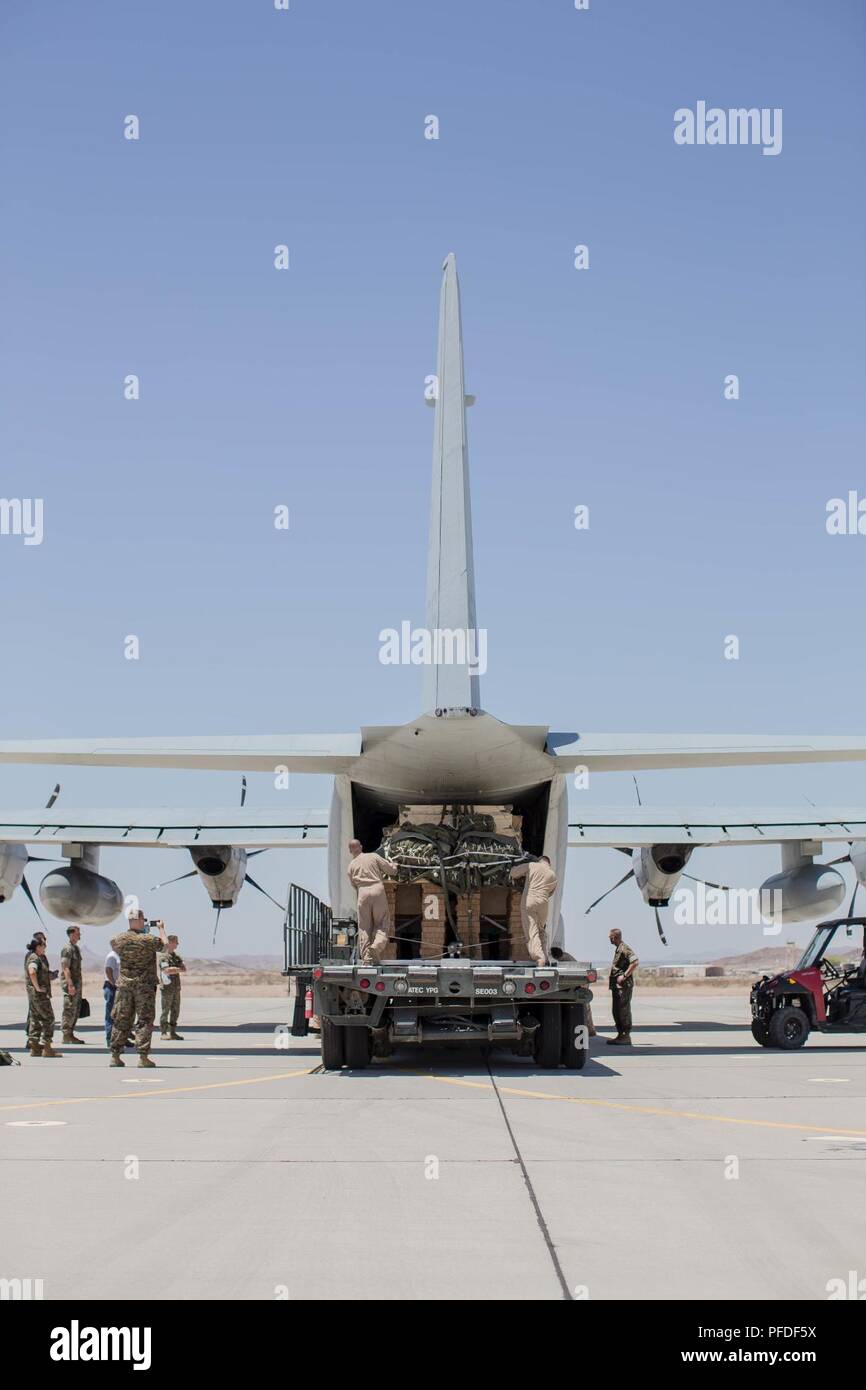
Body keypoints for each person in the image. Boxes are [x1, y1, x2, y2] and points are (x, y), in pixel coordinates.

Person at [108, 912, 168, 1068]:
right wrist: (161, 928)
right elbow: (165, 946)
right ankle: (143, 1057)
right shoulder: (148, 940)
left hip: (124, 987)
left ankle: (115, 1056)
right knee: (144, 1020)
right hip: (144, 986)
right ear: (140, 921)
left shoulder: (119, 939)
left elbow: (113, 944)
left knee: (121, 1020)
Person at [346, 840, 399, 964]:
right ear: (361, 846)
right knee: (382, 923)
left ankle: (367, 959)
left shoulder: (351, 866)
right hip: (377, 890)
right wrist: (395, 866)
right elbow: (390, 870)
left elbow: (353, 884)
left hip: (362, 894)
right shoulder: (373, 856)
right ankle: (376, 946)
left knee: (364, 928)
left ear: (350, 851)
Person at [510, 855, 558, 966]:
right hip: (544, 904)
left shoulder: (532, 865)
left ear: (539, 861)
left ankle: (539, 957)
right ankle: (545, 956)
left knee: (532, 931)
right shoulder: (553, 875)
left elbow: (514, 873)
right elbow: (551, 893)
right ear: (548, 863)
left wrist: (512, 868)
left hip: (529, 902)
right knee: (541, 929)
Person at [25, 938, 62, 1058]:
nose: (45, 947)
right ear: (38, 946)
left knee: (35, 1019)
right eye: (44, 945)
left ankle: (35, 1048)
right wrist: (38, 988)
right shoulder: (34, 958)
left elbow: (40, 973)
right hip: (39, 996)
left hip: (37, 995)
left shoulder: (41, 957)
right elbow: (32, 972)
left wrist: (50, 975)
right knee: (49, 1019)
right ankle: (47, 1048)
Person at [551, 944, 596, 1036]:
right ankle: (590, 1029)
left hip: (581, 981)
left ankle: (590, 1030)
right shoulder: (564, 956)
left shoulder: (564, 960)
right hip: (579, 980)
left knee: (584, 1006)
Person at [607, 928, 638, 1045]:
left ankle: (625, 1036)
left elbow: (635, 962)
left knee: (623, 1011)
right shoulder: (618, 949)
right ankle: (620, 1035)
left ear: (616, 937)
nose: (610, 939)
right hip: (617, 986)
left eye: (611, 937)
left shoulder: (624, 948)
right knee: (617, 1010)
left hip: (623, 986)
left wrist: (624, 975)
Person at [61, 924, 85, 1044]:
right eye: (77, 932)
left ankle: (70, 1033)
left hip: (76, 983)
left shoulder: (76, 948)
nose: (80, 934)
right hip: (71, 984)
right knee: (69, 1008)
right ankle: (66, 1035)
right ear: (71, 934)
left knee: (76, 1009)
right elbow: (65, 967)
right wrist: (70, 984)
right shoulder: (68, 949)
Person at [158, 935, 186, 1040]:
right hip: (167, 988)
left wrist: (175, 969)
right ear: (169, 942)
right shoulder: (164, 957)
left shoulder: (176, 956)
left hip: (176, 987)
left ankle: (173, 1032)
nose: (177, 944)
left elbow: (184, 968)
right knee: (165, 1010)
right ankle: (164, 1032)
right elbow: (166, 970)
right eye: (175, 942)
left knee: (175, 1010)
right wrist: (177, 969)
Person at [104, 945, 120, 1047]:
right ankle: (110, 1038)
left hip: (116, 986)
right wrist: (113, 983)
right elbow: (108, 970)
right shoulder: (112, 956)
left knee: (120, 1014)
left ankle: (121, 1037)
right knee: (111, 1014)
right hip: (111, 987)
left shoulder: (118, 956)